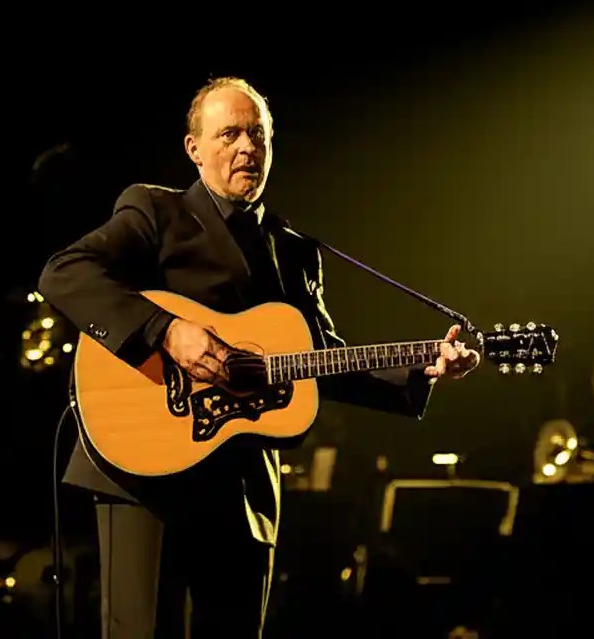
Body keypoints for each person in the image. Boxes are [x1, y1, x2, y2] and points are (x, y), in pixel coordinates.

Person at [37, 76, 480, 638]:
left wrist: (423, 367)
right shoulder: (156, 211)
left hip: (242, 486)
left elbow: (321, 360)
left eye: (257, 136)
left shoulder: (294, 249)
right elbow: (64, 273)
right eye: (229, 134)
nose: (246, 148)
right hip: (145, 475)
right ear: (193, 148)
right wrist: (166, 331)